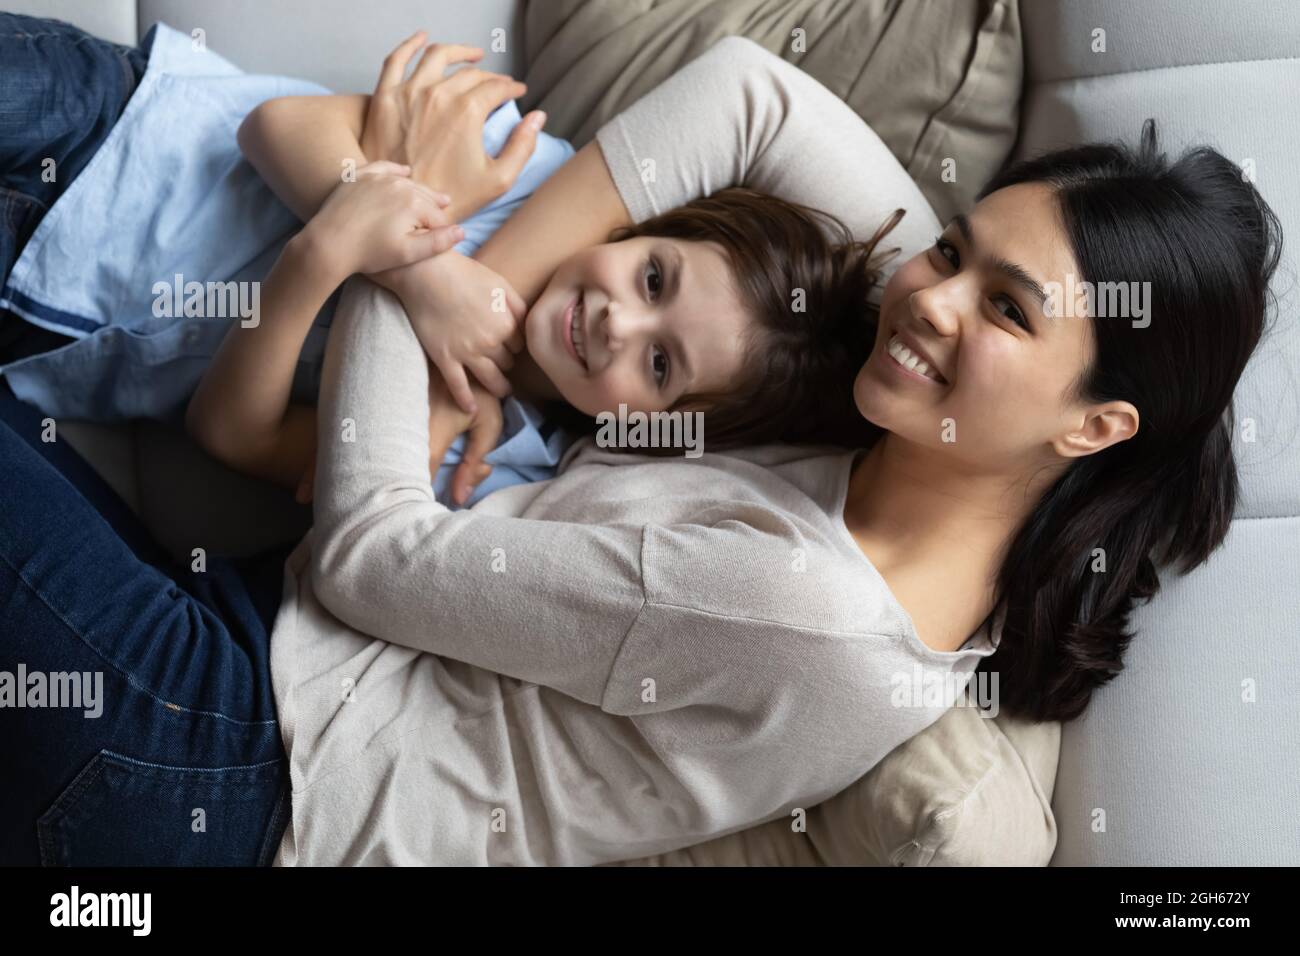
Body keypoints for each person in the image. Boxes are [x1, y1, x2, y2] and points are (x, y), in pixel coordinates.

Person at [0, 32, 1280, 867]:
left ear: (1092, 425)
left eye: (1008, 311)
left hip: (225, 760)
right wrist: (477, 292)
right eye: (955, 249)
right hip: (248, 664)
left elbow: (370, 557)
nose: (931, 297)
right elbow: (752, 92)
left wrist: (405, 221)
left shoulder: (812, 612)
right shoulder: (891, 407)